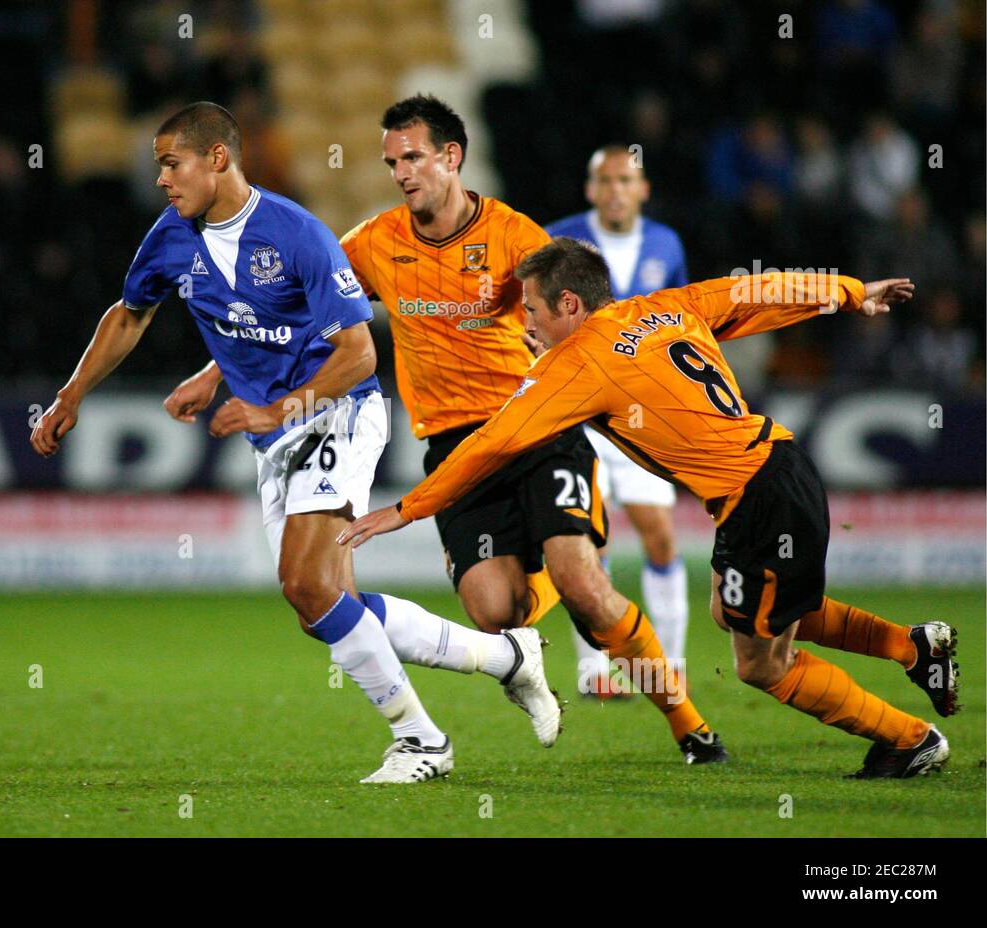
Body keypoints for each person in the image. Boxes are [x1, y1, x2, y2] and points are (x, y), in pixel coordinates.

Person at [31, 102, 561, 785]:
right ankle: (507, 660)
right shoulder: (170, 237)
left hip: (336, 412)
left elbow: (359, 355)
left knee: (305, 583)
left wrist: (275, 407)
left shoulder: (296, 235)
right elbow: (130, 314)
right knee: (322, 606)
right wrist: (73, 395)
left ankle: (422, 741)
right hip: (276, 434)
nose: (161, 179)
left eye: (171, 164)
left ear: (216, 159)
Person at [340, 239, 958, 779]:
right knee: (748, 610)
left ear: (570, 306)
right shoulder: (663, 307)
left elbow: (494, 441)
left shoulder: (575, 363)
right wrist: (850, 293)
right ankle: (913, 649)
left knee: (761, 665)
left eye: (530, 308)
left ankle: (910, 741)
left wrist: (408, 508)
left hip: (758, 499)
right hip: (779, 467)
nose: (522, 320)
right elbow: (758, 290)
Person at [338, 95, 725, 764]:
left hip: (536, 423)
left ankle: (690, 725)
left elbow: (586, 322)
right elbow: (311, 297)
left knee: (583, 586)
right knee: (495, 610)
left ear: (451, 157)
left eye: (413, 157)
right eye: (391, 161)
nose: (400, 172)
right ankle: (527, 645)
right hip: (456, 447)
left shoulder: (517, 238)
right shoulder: (375, 244)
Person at [546, 145, 690, 697]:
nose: (614, 190)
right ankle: (594, 670)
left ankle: (669, 665)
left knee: (659, 537)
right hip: (580, 413)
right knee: (587, 542)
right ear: (590, 189)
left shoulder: (665, 244)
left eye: (625, 180)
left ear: (643, 189)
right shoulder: (559, 239)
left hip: (643, 414)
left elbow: (676, 318)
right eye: (604, 180)